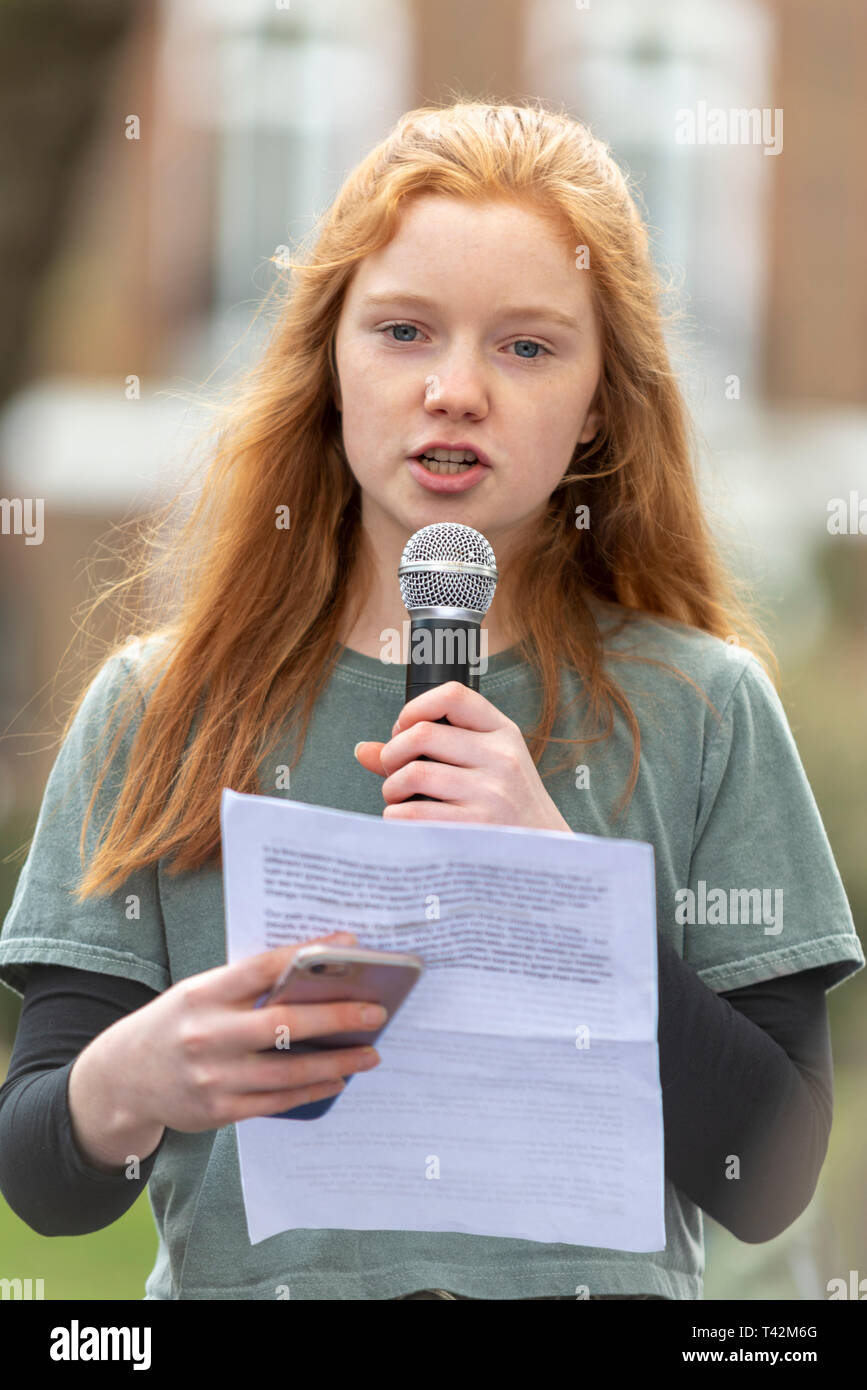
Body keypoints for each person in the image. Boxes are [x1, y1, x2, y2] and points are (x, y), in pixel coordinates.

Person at [0, 99, 862, 1302]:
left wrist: (563, 897)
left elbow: (765, 1176)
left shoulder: (705, 707)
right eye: (404, 330)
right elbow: (46, 1182)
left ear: (602, 399)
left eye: (527, 346)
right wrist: (140, 1075)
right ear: (331, 360)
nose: (456, 389)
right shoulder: (160, 703)